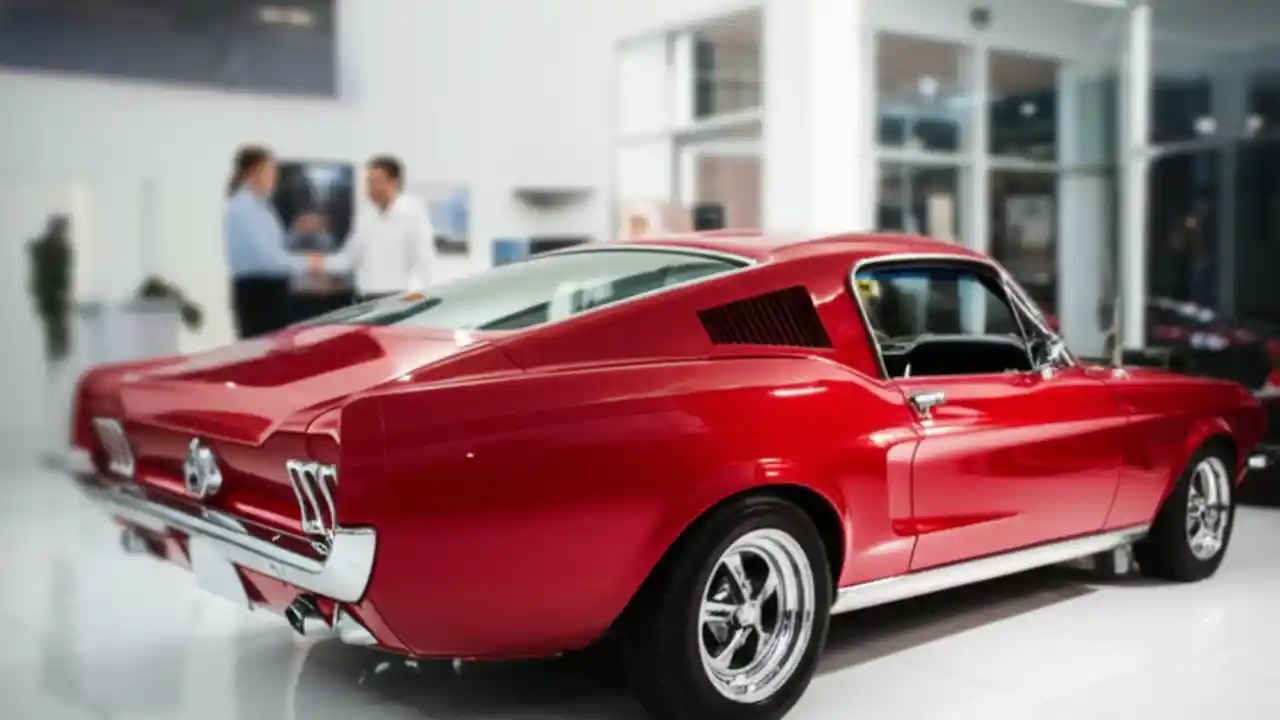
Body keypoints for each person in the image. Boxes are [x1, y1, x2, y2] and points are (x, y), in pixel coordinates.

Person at [223, 145, 325, 338]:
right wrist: (307, 264)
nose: (274, 179)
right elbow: (267, 260)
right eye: (270, 172)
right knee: (262, 350)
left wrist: (296, 232)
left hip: (269, 292)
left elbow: (273, 246)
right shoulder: (244, 208)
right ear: (254, 172)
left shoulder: (262, 206)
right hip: (258, 295)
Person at [328, 155, 435, 301]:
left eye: (375, 181)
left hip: (401, 296)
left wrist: (428, 294)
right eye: (369, 182)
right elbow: (351, 254)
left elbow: (424, 257)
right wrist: (323, 264)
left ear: (393, 182)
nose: (370, 188)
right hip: (367, 297)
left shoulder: (412, 211)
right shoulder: (366, 214)